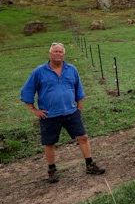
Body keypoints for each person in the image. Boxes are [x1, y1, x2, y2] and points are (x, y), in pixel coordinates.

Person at [21, 42, 105, 183]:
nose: (58, 54)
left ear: (64, 54)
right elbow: (27, 90)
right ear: (50, 54)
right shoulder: (39, 72)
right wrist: (34, 110)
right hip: (49, 115)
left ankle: (90, 165)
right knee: (49, 143)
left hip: (71, 112)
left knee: (83, 137)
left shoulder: (71, 69)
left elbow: (78, 88)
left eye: (60, 52)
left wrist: (79, 105)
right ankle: (52, 170)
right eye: (55, 51)